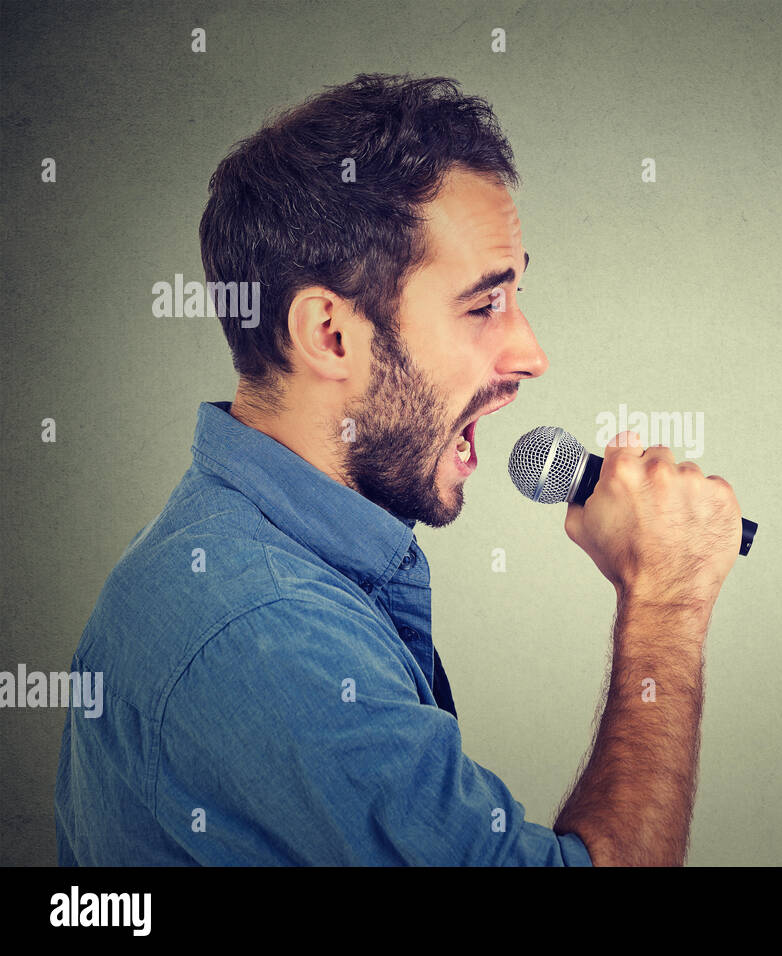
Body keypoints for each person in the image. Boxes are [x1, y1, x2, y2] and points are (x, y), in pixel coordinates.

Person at [54, 73, 742, 866]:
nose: (531, 354)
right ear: (330, 334)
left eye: (518, 295)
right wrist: (668, 600)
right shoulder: (269, 636)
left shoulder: (222, 553)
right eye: (485, 304)